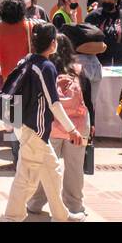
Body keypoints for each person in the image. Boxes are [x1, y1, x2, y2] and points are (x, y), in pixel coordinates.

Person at [0, 23, 88, 222]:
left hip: (25, 127)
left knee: (53, 171)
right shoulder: (46, 66)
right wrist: (72, 129)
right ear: (52, 43)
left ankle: (61, 215)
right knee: (26, 179)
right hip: (35, 129)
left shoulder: (27, 60)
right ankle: (11, 217)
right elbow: (54, 103)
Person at [26, 34, 93, 217]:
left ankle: (36, 202)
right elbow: (88, 101)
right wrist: (91, 124)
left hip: (52, 124)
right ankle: (75, 206)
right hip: (78, 126)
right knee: (75, 168)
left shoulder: (47, 69)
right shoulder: (79, 70)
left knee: (46, 167)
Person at [84, 0, 122, 66]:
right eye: (104, 0)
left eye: (109, 0)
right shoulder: (93, 16)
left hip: (121, 59)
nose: (107, 2)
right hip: (100, 59)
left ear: (116, 0)